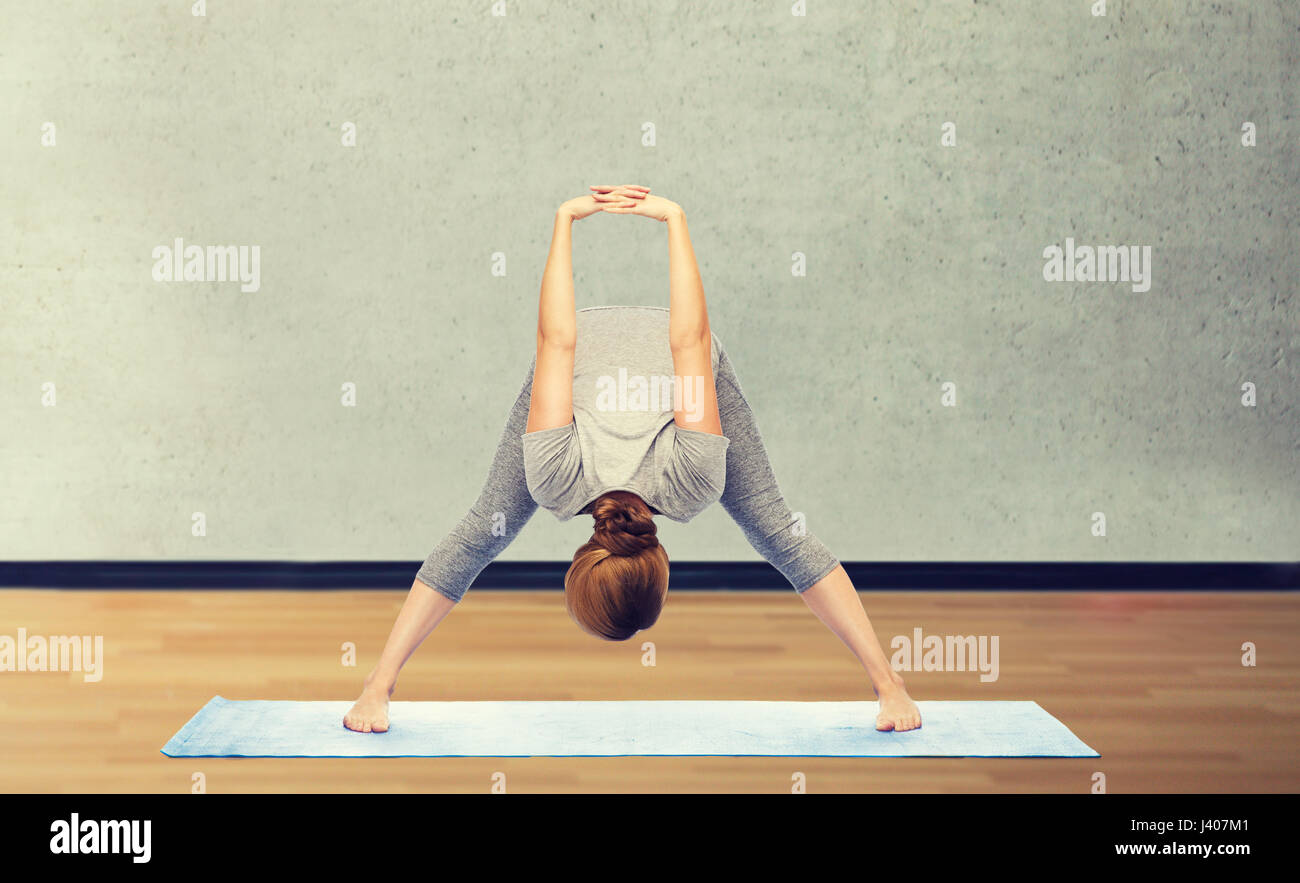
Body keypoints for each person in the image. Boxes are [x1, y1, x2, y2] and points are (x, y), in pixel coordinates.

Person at [344, 185, 922, 735]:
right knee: (773, 531)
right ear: (577, 562)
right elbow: (610, 344)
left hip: (590, 356)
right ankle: (376, 685)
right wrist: (587, 221)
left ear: (663, 569)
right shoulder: (578, 480)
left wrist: (652, 221)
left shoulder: (673, 482)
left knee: (779, 531)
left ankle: (890, 685)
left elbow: (630, 344)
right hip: (593, 352)